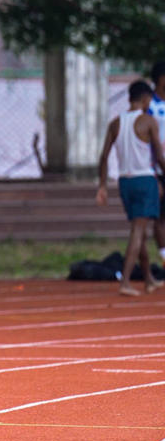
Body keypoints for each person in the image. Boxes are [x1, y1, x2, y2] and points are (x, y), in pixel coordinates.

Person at [97, 79, 165, 296]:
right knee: (138, 230)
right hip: (144, 179)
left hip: (125, 181)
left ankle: (148, 279)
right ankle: (125, 281)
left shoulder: (115, 123)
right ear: (146, 99)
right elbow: (159, 155)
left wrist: (102, 185)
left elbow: (104, 157)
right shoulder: (148, 121)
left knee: (139, 231)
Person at [147, 61, 165, 264]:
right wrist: (152, 172)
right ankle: (163, 256)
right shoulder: (149, 105)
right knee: (160, 216)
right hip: (157, 169)